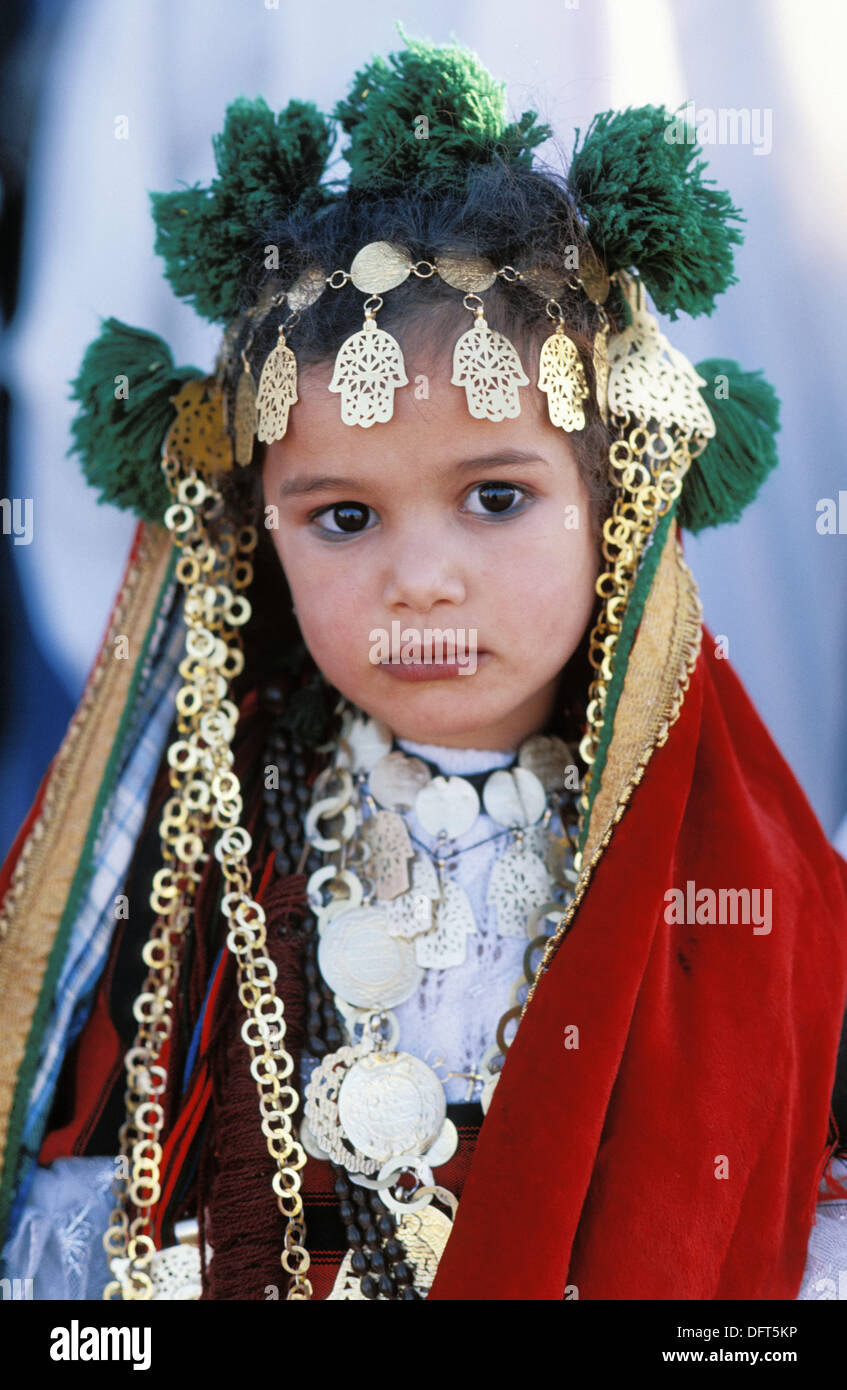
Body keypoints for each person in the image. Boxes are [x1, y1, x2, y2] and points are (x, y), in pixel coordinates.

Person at [1, 30, 846, 1302]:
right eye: (344, 518)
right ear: (256, 529)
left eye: (496, 499)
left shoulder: (737, 880)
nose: (422, 578)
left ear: (615, 498)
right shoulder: (201, 871)